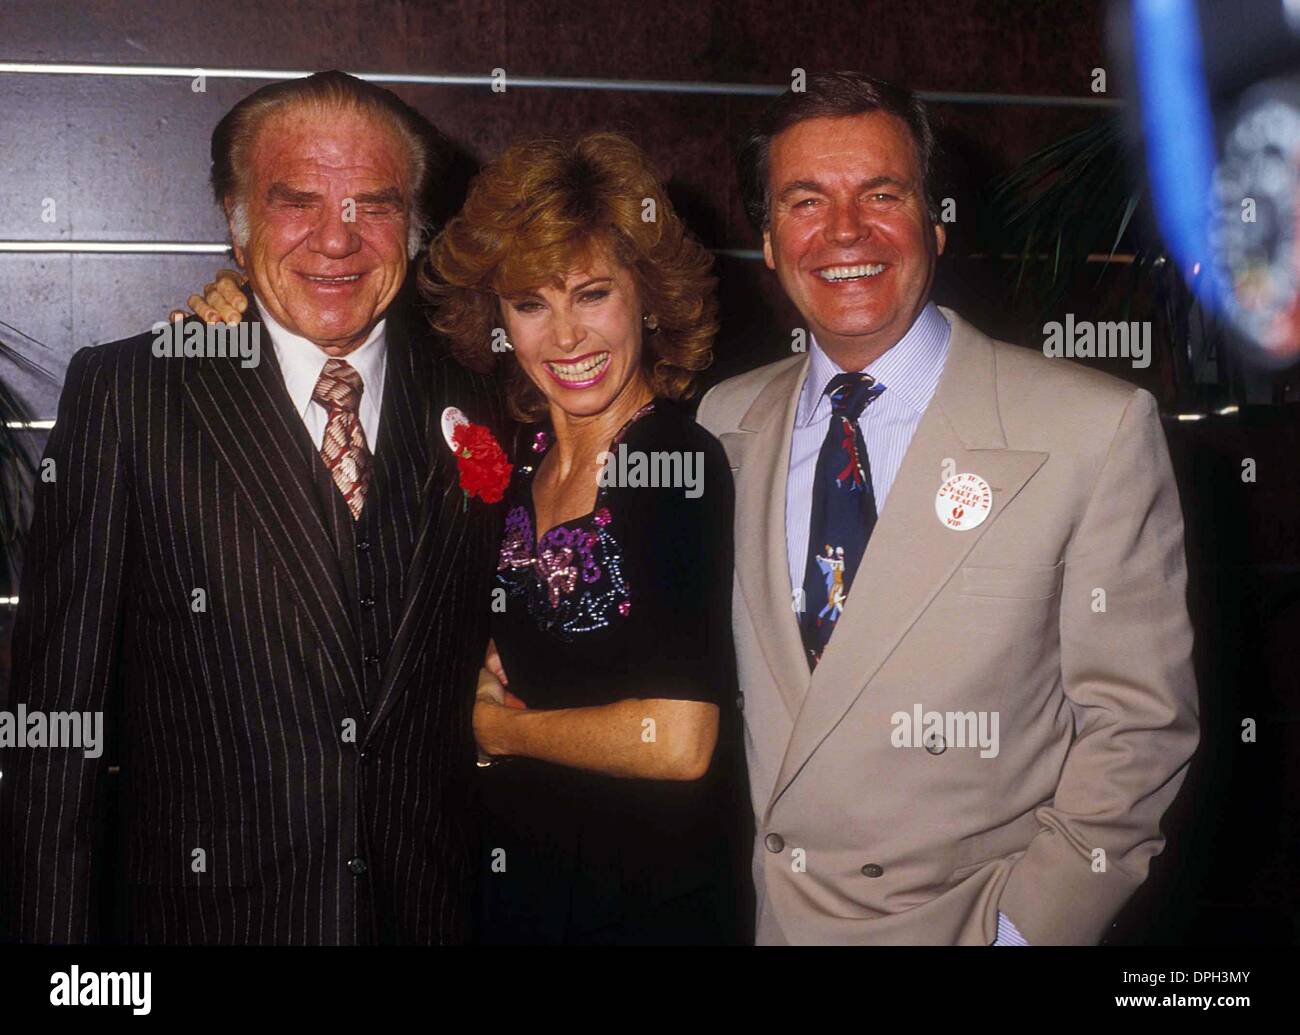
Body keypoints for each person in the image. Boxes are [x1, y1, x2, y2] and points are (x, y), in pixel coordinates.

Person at [0, 71, 504, 945]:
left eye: (374, 206)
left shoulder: (485, 399)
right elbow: (56, 734)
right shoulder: (131, 395)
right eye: (297, 202)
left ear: (415, 224)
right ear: (235, 218)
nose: (337, 241)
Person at [696, 71, 1200, 945]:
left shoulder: (1092, 429)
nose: (845, 230)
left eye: (881, 194)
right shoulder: (722, 422)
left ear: (935, 223)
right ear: (770, 243)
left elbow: (1140, 729)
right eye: (805, 201)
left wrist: (1020, 930)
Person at [424, 131, 750, 944]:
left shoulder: (673, 459)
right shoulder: (517, 457)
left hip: (649, 899)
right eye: (531, 304)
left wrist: (500, 731)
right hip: (521, 885)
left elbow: (680, 741)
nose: (564, 337)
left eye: (592, 293)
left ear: (647, 294)